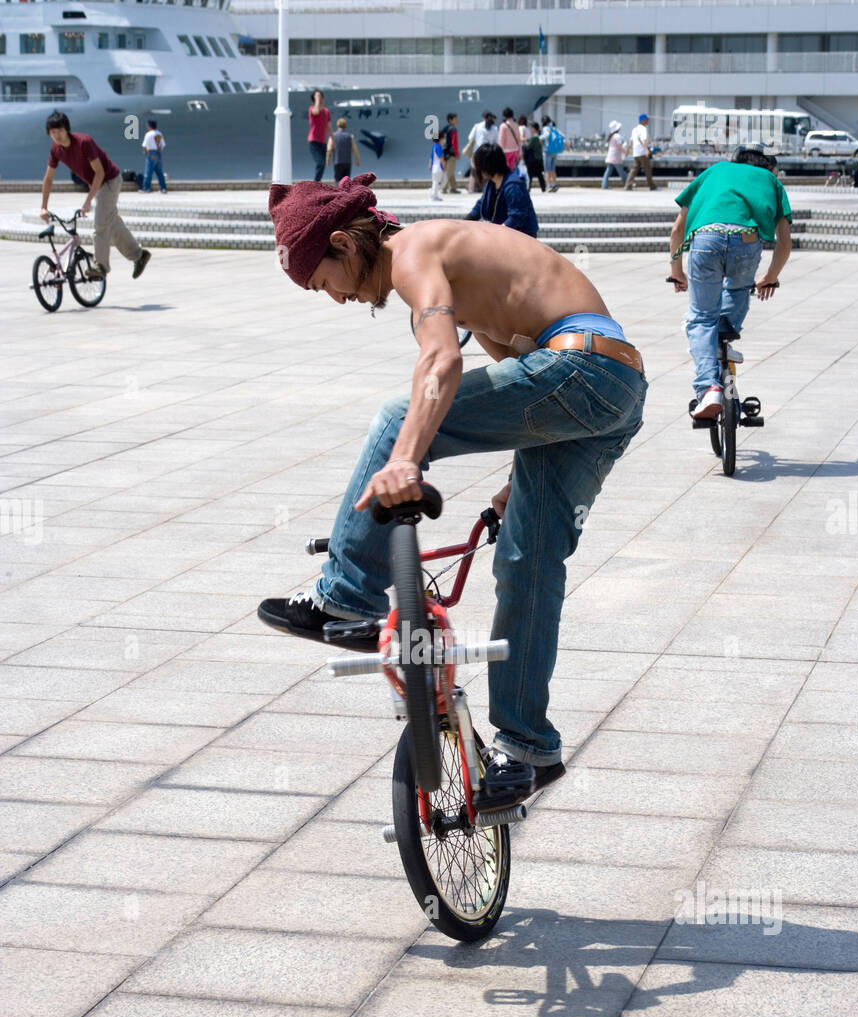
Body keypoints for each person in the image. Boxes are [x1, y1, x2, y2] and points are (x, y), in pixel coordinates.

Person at [261, 173, 646, 803]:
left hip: (585, 368)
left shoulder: (414, 250)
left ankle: (346, 598)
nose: (334, 300)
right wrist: (519, 480)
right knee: (527, 564)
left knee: (395, 422)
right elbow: (521, 378)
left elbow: (442, 363)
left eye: (322, 283)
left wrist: (406, 459)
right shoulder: (457, 271)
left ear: (342, 244)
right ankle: (527, 749)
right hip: (610, 384)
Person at [668, 148, 791, 419]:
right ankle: (725, 337)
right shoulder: (771, 180)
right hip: (746, 240)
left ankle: (709, 387)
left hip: (706, 239)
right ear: (769, 168)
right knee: (736, 289)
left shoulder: (714, 171)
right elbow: (784, 239)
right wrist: (771, 276)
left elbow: (678, 228)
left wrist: (676, 271)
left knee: (701, 318)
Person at [40, 111, 150, 282]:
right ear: (49, 134)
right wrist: (43, 207)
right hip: (97, 185)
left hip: (110, 180)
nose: (57, 136)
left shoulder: (84, 142)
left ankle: (101, 266)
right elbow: (48, 178)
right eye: (53, 133)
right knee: (111, 224)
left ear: (67, 129)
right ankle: (139, 255)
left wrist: (88, 201)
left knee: (100, 223)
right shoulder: (56, 150)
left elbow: (100, 172)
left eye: (60, 131)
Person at [465, 143, 538, 237]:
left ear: (487, 166)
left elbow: (517, 216)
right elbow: (480, 206)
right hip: (502, 236)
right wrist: (464, 222)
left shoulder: (513, 186)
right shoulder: (490, 184)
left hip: (521, 239)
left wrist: (496, 232)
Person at [462, 111, 498, 192]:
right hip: (488, 152)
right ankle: (485, 188)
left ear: (483, 118)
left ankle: (471, 188)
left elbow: (470, 137)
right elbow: (496, 142)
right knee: (486, 171)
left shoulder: (477, 126)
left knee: (474, 171)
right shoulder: (495, 128)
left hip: (477, 152)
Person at [624, 114, 655, 191]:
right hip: (642, 152)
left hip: (635, 152)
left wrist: (628, 150)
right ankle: (652, 186)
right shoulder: (643, 129)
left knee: (634, 169)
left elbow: (631, 141)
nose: (647, 121)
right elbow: (643, 140)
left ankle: (628, 185)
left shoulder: (634, 129)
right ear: (643, 121)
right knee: (647, 169)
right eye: (646, 120)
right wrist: (646, 150)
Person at [308, 90, 332, 182]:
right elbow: (316, 111)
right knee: (320, 163)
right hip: (314, 142)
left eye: (321, 96)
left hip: (323, 142)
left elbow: (329, 127)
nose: (320, 98)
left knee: (323, 164)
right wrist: (317, 99)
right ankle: (315, 183)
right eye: (317, 96)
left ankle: (317, 183)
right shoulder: (311, 109)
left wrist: (332, 139)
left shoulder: (326, 111)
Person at [326, 117, 360, 183]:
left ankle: (339, 192)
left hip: (337, 162)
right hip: (347, 162)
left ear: (337, 125)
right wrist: (357, 160)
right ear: (345, 125)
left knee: (338, 181)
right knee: (346, 182)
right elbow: (355, 150)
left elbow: (329, 149)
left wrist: (328, 159)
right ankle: (346, 193)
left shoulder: (333, 136)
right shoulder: (350, 136)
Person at [141, 120, 167, 194]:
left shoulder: (148, 134)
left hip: (150, 153)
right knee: (160, 173)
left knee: (148, 173)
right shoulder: (159, 133)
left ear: (150, 126)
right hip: (158, 153)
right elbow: (163, 145)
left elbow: (144, 146)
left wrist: (146, 153)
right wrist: (158, 151)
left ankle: (146, 188)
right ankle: (163, 188)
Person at [601, 121, 627, 189]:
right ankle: (627, 184)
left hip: (610, 155)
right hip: (616, 156)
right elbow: (620, 147)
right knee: (621, 172)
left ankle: (604, 185)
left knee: (608, 171)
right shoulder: (617, 136)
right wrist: (626, 152)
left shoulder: (611, 136)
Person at [540, 115, 563, 191]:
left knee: (547, 169)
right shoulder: (553, 128)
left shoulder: (545, 128)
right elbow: (562, 135)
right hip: (554, 151)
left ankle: (548, 185)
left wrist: (538, 137)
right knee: (553, 169)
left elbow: (546, 135)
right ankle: (554, 184)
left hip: (547, 151)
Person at [498, 107, 523, 172]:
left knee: (505, 169)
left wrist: (499, 152)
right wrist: (520, 151)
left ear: (504, 116)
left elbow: (501, 140)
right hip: (515, 150)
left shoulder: (503, 126)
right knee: (512, 169)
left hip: (506, 151)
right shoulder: (516, 125)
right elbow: (518, 139)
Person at [524, 122, 546, 194]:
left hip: (533, 159)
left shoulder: (534, 138)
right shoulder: (540, 137)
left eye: (531, 128)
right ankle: (543, 187)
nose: (530, 129)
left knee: (530, 175)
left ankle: (528, 188)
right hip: (539, 158)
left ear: (534, 129)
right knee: (539, 174)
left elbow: (528, 147)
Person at [441, 114, 460, 194]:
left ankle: (453, 187)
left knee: (450, 171)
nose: (457, 121)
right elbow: (454, 143)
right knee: (450, 171)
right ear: (450, 120)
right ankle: (444, 187)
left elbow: (437, 138)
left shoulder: (445, 128)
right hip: (451, 154)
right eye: (455, 119)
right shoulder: (454, 129)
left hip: (445, 152)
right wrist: (457, 153)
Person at [429, 130, 446, 201]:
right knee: (441, 181)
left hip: (434, 168)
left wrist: (430, 165)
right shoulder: (438, 147)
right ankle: (433, 194)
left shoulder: (434, 146)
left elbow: (431, 157)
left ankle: (433, 192)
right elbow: (441, 157)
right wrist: (444, 165)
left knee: (437, 182)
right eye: (443, 138)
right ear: (440, 138)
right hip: (438, 168)